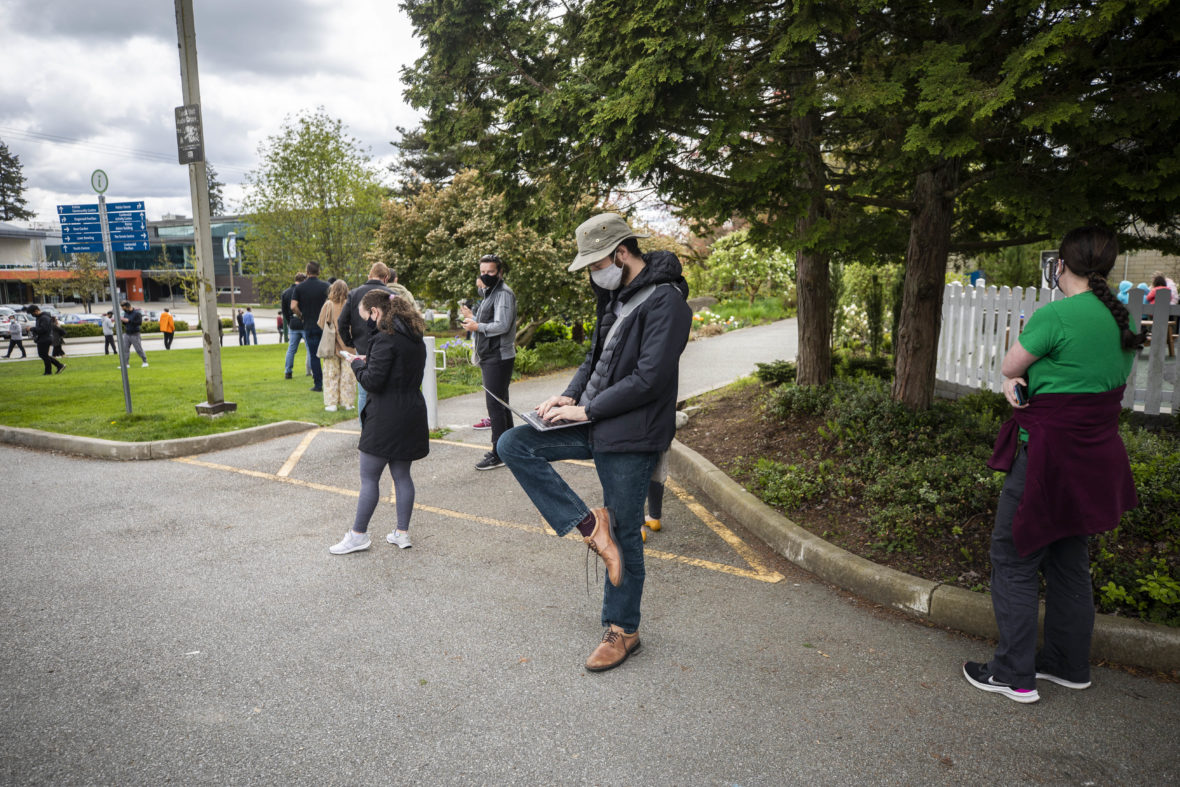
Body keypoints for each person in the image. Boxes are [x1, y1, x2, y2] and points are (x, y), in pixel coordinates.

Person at [496, 213, 692, 672]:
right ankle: (589, 526)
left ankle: (623, 631)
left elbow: (649, 378)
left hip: (630, 431)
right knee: (512, 444)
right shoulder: (617, 296)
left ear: (621, 253)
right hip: (595, 416)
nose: (591, 274)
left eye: (595, 264)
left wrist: (586, 409)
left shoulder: (667, 303)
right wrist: (568, 394)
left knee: (627, 535)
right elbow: (595, 358)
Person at [963, 226, 1143, 704]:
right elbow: (1084, 386)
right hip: (1093, 460)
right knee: (1068, 560)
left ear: (1060, 266)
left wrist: (1015, 381)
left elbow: (1009, 365)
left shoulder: (1056, 316)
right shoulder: (1119, 319)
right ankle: (1067, 663)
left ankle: (1013, 674)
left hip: (1045, 459)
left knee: (1013, 556)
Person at [329, 290, 430, 555]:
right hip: (411, 411)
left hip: (386, 416)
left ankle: (358, 535)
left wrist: (355, 364)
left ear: (375, 312)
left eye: (366, 318)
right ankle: (401, 533)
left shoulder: (386, 340)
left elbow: (373, 381)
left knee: (369, 478)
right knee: (402, 475)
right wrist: (368, 362)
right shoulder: (414, 337)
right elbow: (395, 370)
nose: (367, 324)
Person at [460, 253, 517, 471]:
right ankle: (510, 448)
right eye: (482, 272)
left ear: (500, 272)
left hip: (498, 356)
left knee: (495, 405)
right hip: (490, 354)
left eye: (490, 272)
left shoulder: (503, 293)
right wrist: (473, 319)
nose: (486, 276)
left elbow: (501, 325)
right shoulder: (490, 292)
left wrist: (478, 327)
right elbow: (489, 321)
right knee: (501, 403)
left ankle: (499, 452)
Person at [339, 262, 398, 413]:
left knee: (364, 392)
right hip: (388, 348)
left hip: (362, 345)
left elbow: (342, 322)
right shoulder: (391, 296)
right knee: (387, 390)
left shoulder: (354, 294)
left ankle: (365, 429)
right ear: (386, 278)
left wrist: (350, 342)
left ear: (369, 275)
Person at [317, 279, 357, 412]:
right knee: (348, 376)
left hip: (332, 345)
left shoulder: (328, 305)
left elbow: (321, 323)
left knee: (331, 375)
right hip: (348, 345)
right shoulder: (350, 305)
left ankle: (332, 403)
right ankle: (348, 403)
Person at [292, 262, 330, 392]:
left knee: (314, 355)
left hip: (308, 324)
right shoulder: (326, 286)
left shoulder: (299, 288)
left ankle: (318, 384)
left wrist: (301, 315)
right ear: (319, 271)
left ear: (307, 271)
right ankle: (330, 382)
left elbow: (293, 306)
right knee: (327, 355)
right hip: (324, 326)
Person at [282, 272, 307, 379]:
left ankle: (288, 371)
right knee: (310, 349)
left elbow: (284, 311)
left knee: (291, 349)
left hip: (293, 323)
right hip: (305, 323)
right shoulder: (305, 292)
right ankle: (310, 371)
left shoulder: (286, 293)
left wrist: (289, 321)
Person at [27, 305, 64, 375]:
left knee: (43, 355)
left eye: (32, 313)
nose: (32, 315)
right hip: (43, 338)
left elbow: (43, 329)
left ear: (36, 311)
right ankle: (58, 366)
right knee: (43, 355)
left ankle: (49, 371)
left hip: (45, 338)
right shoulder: (40, 317)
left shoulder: (44, 317)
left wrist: (32, 329)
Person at [119, 300, 148, 367]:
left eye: (124, 308)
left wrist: (129, 321)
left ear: (127, 306)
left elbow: (139, 323)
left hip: (135, 334)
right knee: (125, 349)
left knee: (138, 349)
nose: (123, 310)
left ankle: (145, 361)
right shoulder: (126, 313)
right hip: (127, 334)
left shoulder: (137, 313)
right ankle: (126, 364)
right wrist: (123, 321)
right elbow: (126, 323)